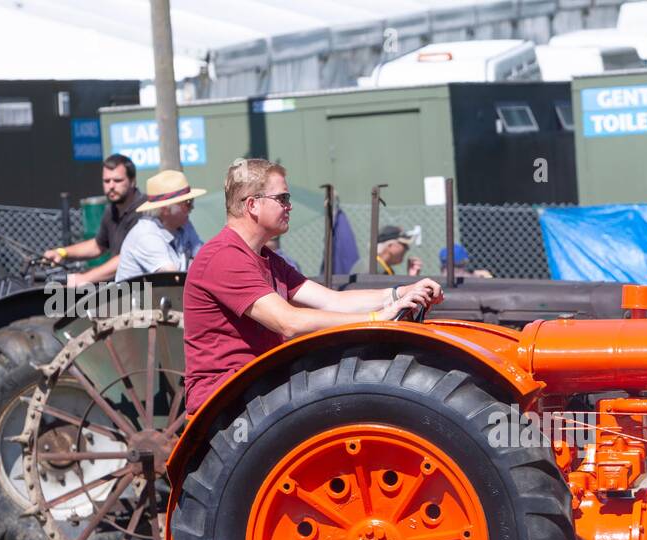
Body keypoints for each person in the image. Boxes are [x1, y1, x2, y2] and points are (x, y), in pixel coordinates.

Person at [182, 159, 442, 416]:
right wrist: (376, 319)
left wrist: (398, 293)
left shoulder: (268, 259)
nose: (289, 206)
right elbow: (288, 322)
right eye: (282, 198)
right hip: (225, 401)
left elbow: (332, 301)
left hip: (256, 390)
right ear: (252, 205)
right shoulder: (223, 257)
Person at [42, 154, 145, 286]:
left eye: (117, 180)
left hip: (143, 292)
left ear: (132, 182)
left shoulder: (143, 210)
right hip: (120, 288)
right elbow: (98, 245)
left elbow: (126, 258)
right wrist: (62, 252)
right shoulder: (112, 210)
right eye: (106, 181)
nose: (111, 186)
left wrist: (83, 278)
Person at [113, 170, 205, 282]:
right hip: (137, 299)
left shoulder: (183, 223)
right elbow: (174, 279)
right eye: (187, 202)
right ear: (165, 209)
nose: (192, 207)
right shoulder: (146, 235)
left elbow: (205, 259)